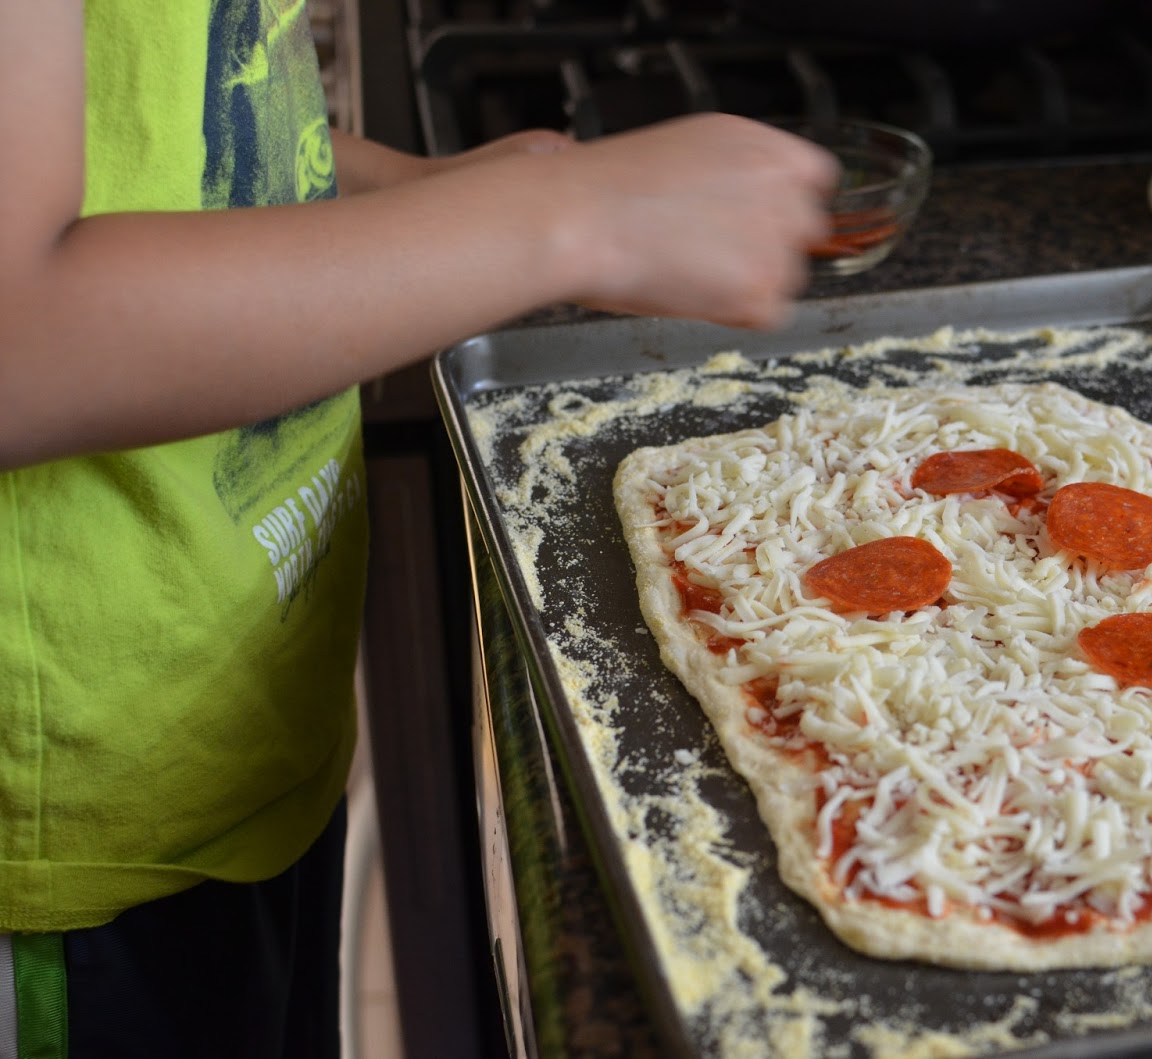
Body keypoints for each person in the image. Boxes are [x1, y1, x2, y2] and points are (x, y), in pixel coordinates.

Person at [0, 0, 837, 1054]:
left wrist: (406, 189)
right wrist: (568, 216)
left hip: (225, 719)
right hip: (66, 835)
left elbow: (172, 102)